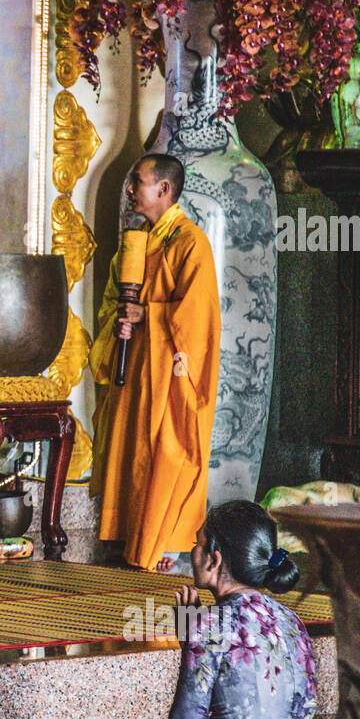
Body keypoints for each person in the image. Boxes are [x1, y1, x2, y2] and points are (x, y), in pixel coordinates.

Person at [81, 500, 321, 719]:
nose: (192, 551)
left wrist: (192, 640)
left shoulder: (208, 624)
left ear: (213, 560)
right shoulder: (292, 618)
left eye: (197, 543)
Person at [89, 153, 220, 573]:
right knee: (131, 449)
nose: (129, 189)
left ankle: (162, 542)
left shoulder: (190, 242)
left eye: (137, 182)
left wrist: (149, 316)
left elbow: (198, 319)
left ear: (163, 189)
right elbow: (113, 302)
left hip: (170, 375)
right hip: (137, 370)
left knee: (166, 450)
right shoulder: (137, 242)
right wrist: (119, 323)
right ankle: (130, 540)